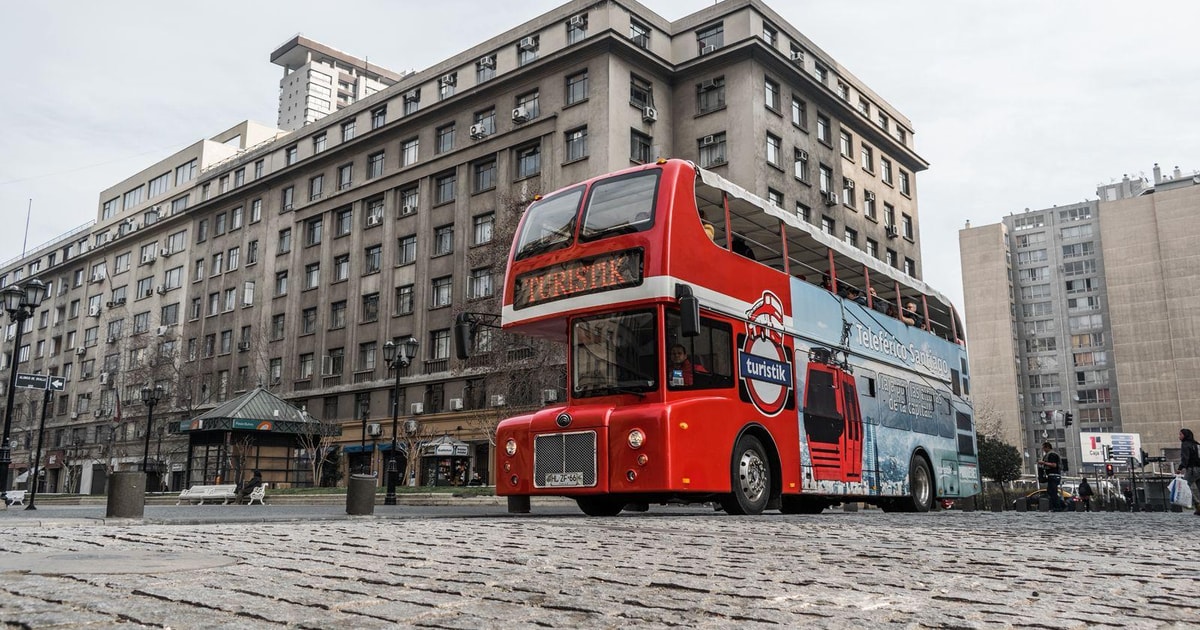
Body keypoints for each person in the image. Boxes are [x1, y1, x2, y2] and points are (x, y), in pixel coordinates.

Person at [1178, 428, 1200, 515]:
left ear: (1185, 435)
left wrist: (1180, 468)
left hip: (1192, 469)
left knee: (1185, 486)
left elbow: (1185, 458)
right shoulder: (1196, 444)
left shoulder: (1185, 444)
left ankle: (1197, 504)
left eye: (1180, 434)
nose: (1179, 436)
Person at [1038, 442, 1065, 512]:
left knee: (1052, 492)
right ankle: (1060, 505)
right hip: (1052, 475)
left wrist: (1043, 463)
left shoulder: (1052, 455)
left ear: (1047, 447)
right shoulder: (1050, 454)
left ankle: (1059, 507)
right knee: (1051, 491)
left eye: (1044, 448)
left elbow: (1054, 465)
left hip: (1054, 475)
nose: (1043, 450)